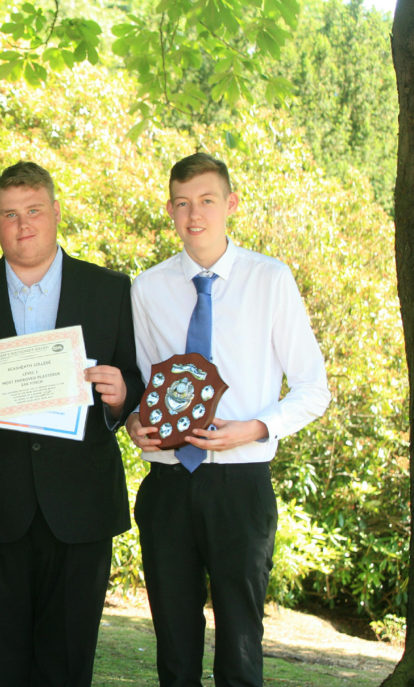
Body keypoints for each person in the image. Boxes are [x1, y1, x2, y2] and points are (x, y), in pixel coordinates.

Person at [0, 161, 143, 686]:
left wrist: (121, 397)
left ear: (54, 212)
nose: (22, 225)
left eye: (33, 211)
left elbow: (134, 379)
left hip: (82, 507)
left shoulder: (111, 290)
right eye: (9, 215)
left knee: (69, 666)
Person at [126, 152, 331, 686]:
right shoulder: (147, 288)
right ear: (170, 210)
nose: (195, 215)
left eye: (207, 201)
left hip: (242, 484)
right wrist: (133, 422)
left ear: (231, 204)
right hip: (168, 483)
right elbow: (146, 386)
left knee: (241, 647)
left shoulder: (270, 279)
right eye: (182, 203)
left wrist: (257, 428)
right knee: (174, 648)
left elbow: (313, 388)